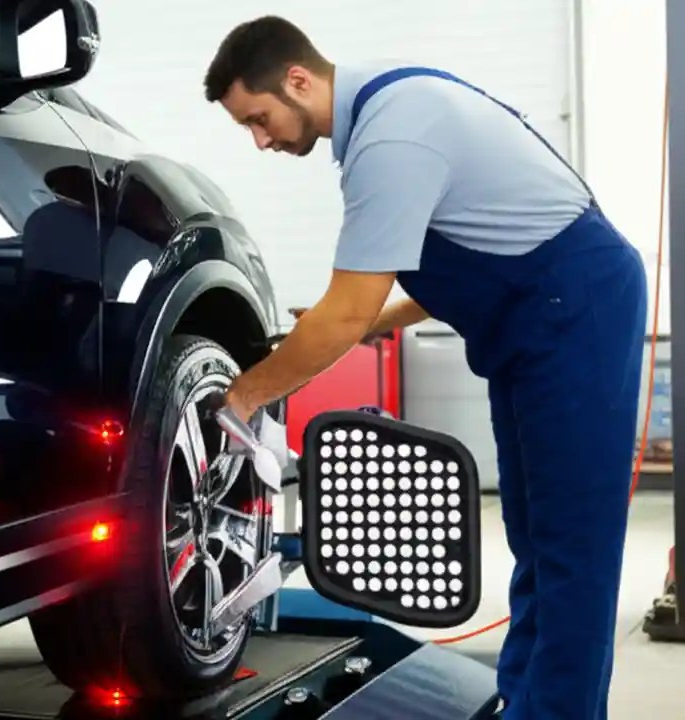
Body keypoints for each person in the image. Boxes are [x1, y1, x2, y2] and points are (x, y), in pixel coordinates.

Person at [203, 15, 647, 720]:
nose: (260, 140)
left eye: (258, 119)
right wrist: (335, 328)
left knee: (573, 546)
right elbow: (446, 260)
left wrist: (246, 396)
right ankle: (529, 701)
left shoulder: (394, 134)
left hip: (575, 312)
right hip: (543, 315)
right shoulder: (391, 107)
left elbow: (347, 310)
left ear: (297, 80)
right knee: (536, 534)